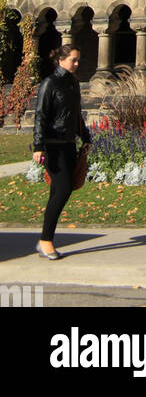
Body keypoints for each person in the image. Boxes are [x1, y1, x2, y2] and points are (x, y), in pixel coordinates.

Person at [31, 43, 91, 259]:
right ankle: (46, 241)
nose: (76, 64)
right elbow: (40, 116)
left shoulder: (73, 83)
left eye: (78, 60)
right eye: (73, 59)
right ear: (61, 59)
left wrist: (85, 136)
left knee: (60, 190)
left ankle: (45, 239)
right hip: (51, 144)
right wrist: (38, 146)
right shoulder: (49, 83)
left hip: (68, 144)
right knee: (63, 189)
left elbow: (75, 114)